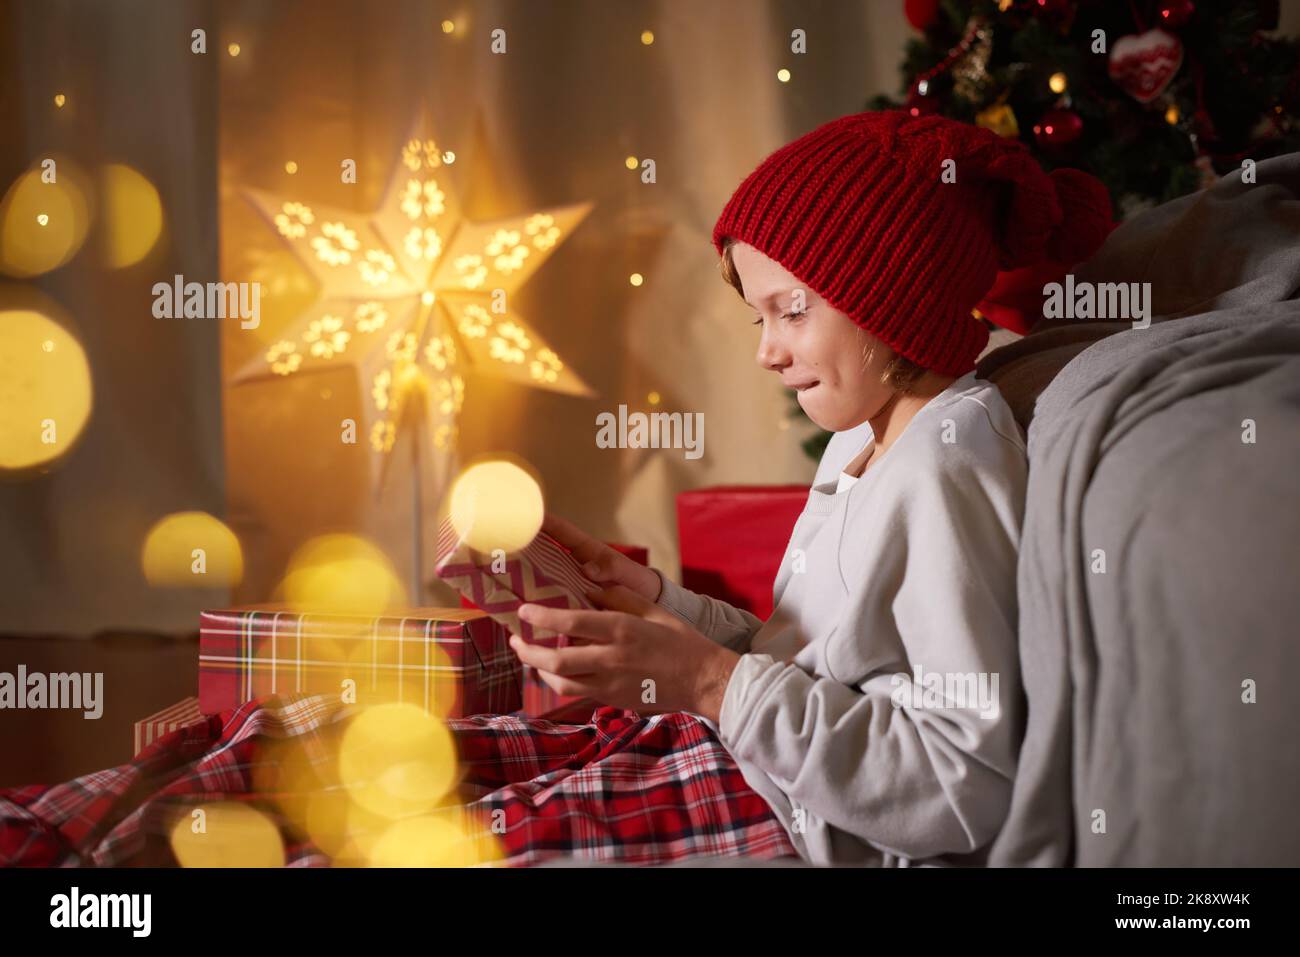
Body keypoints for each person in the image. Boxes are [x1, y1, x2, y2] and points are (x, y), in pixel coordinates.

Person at [508, 110, 1113, 866]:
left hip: (789, 817)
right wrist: (658, 600)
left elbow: (967, 785)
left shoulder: (947, 468)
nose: (766, 351)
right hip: (754, 764)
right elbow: (807, 668)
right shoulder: (860, 439)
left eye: (790, 310)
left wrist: (705, 680)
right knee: (472, 761)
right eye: (757, 315)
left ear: (897, 297)